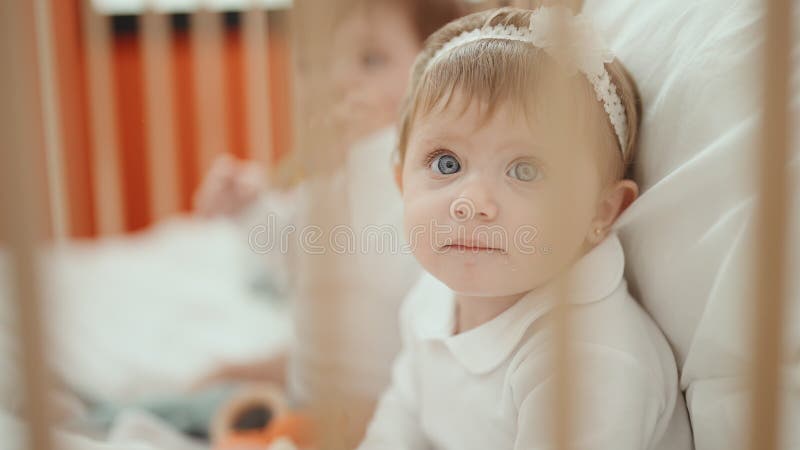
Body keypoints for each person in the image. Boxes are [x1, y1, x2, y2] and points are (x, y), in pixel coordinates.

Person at [358, 6, 693, 449]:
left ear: (603, 212)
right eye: (447, 163)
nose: (471, 203)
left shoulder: (589, 360)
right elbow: (404, 410)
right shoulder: (435, 291)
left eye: (527, 171)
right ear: (402, 182)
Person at [192, 0, 467, 444]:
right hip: (308, 398)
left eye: (371, 59)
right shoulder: (323, 173)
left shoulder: (434, 174)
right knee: (209, 404)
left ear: (442, 68)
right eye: (314, 62)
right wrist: (249, 210)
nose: (338, 79)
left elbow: (397, 265)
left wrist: (373, 152)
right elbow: (296, 255)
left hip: (383, 407)